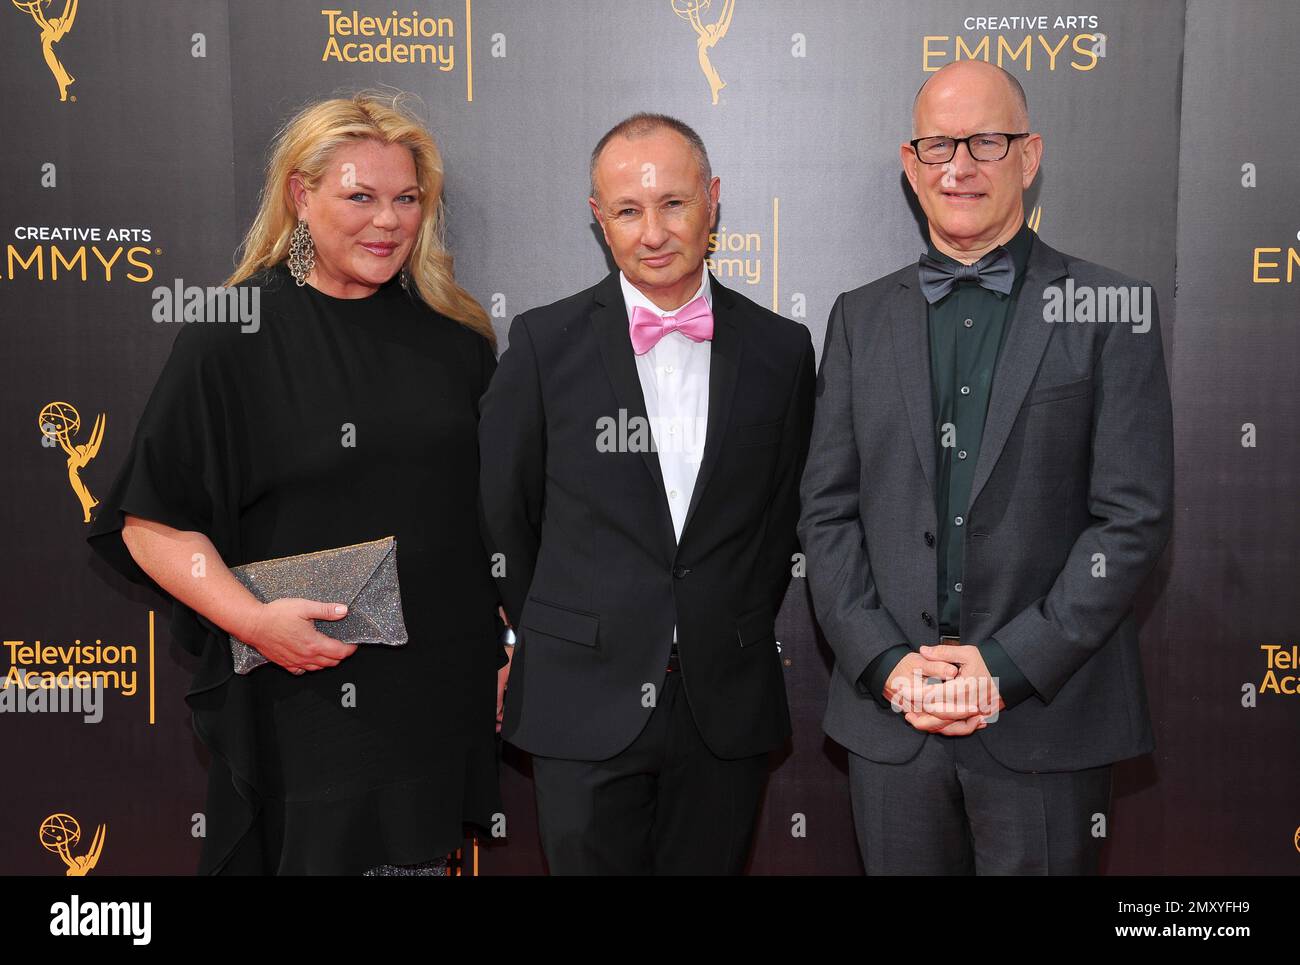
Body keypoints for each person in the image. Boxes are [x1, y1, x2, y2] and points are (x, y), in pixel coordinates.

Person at [87, 91, 506, 875]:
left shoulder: (456, 343)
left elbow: (491, 515)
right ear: (300, 196)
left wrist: (505, 642)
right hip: (304, 699)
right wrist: (252, 622)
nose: (388, 220)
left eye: (407, 198)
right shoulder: (231, 337)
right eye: (361, 196)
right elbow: (149, 522)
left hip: (433, 701)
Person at [798, 60, 1173, 874]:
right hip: (891, 725)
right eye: (938, 145)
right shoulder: (859, 319)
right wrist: (892, 666)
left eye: (986, 141)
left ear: (1029, 157)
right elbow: (827, 515)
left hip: (1048, 719)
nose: (959, 165)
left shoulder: (1111, 311)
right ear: (911, 163)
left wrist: (1004, 668)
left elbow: (1132, 521)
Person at [479, 113, 815, 875]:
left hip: (722, 703)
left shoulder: (782, 350)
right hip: (579, 699)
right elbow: (504, 512)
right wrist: (562, 626)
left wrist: (718, 615)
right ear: (599, 219)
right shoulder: (540, 343)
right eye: (629, 210)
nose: (653, 231)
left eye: (673, 203)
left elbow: (782, 520)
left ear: (714, 200)